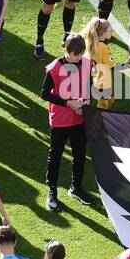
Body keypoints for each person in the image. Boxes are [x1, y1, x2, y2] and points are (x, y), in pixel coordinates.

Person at [40, 34, 93, 211]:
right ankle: (52, 192)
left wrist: (87, 101)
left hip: (80, 118)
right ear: (67, 50)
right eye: (75, 54)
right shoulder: (55, 68)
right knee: (55, 156)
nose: (78, 58)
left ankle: (76, 187)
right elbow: (45, 93)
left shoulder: (87, 62)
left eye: (80, 54)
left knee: (80, 153)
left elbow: (89, 85)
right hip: (61, 120)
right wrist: (68, 103)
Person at [81, 15, 130, 110]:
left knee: (107, 99)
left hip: (90, 80)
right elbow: (112, 67)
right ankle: (98, 121)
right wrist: (129, 65)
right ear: (103, 33)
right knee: (102, 107)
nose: (112, 32)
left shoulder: (89, 43)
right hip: (102, 83)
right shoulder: (103, 48)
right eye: (110, 31)